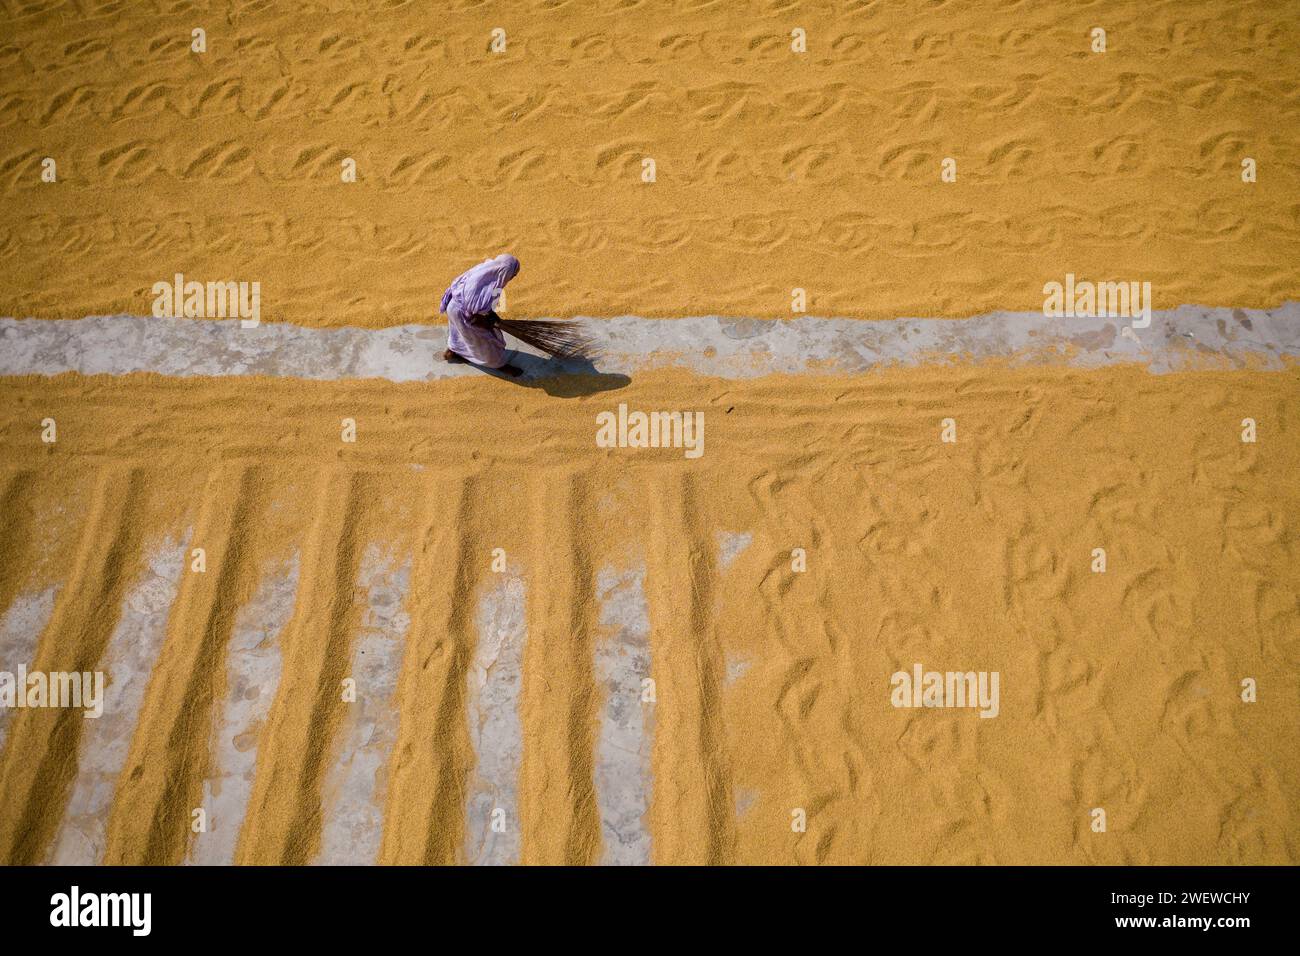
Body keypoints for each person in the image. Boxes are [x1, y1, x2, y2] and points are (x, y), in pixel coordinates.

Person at [439, 253, 524, 377]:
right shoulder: (492, 284)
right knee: (486, 340)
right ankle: (499, 364)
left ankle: (453, 352)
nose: (512, 278)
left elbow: (483, 302)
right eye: (512, 275)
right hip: (463, 314)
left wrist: (490, 314)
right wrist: (489, 324)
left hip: (453, 306)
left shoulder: (484, 272)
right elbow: (476, 317)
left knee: (458, 332)